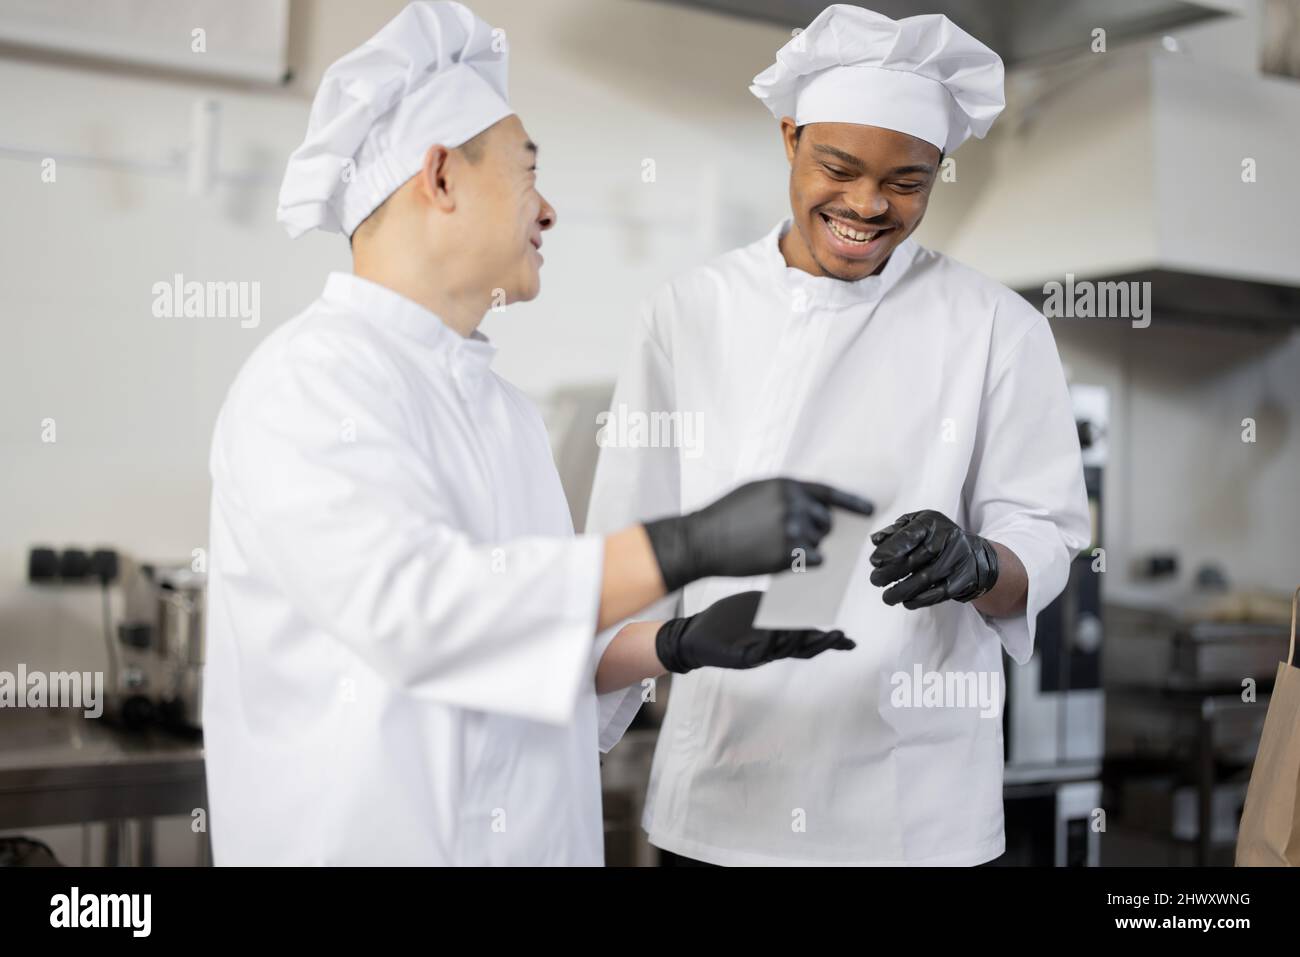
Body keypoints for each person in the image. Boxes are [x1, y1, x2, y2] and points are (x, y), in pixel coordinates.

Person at [202, 1, 869, 866]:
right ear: (440, 177)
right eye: (527, 172)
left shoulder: (505, 413)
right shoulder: (309, 380)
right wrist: (685, 544)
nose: (548, 211)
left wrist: (674, 643)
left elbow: (525, 644)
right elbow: (424, 614)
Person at [587, 5, 1092, 866]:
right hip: (721, 788)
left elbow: (1043, 539)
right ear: (790, 137)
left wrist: (980, 562)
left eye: (907, 180)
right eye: (839, 167)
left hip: (914, 808)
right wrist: (660, 651)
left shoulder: (997, 328)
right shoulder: (689, 312)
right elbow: (625, 551)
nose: (867, 204)